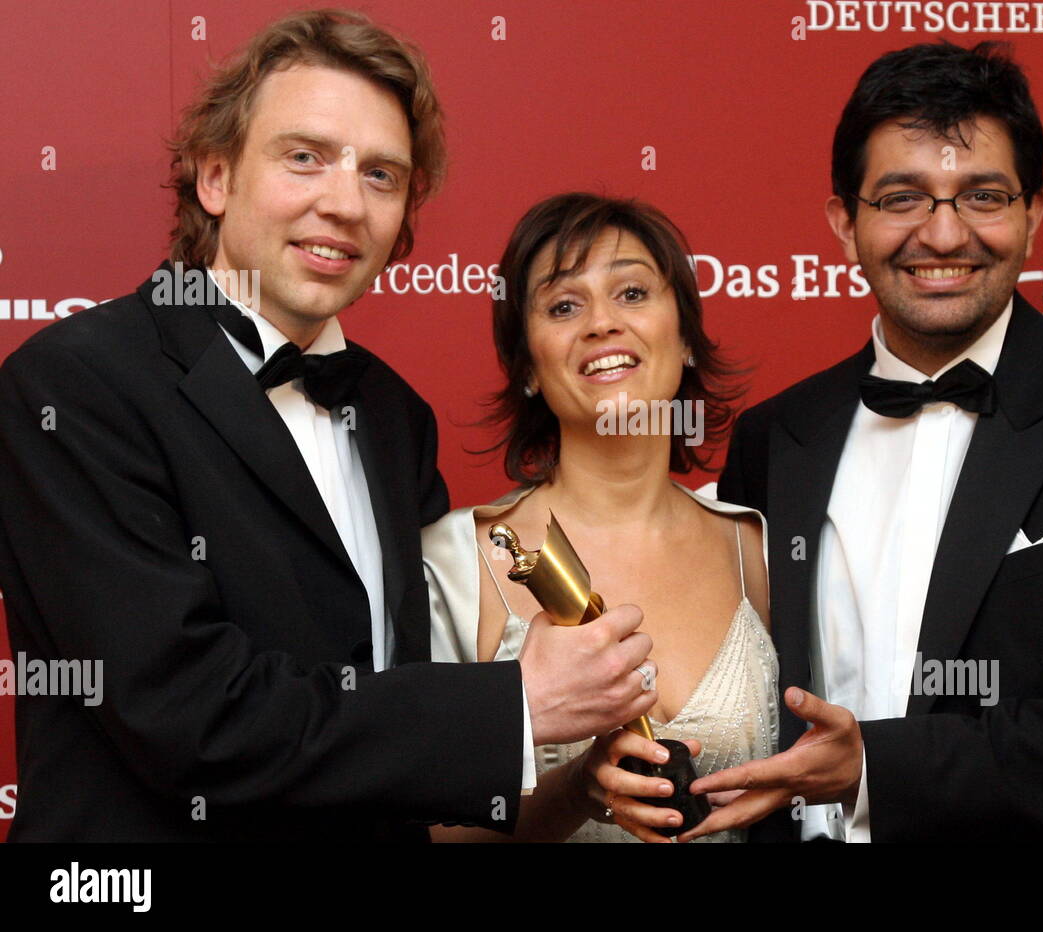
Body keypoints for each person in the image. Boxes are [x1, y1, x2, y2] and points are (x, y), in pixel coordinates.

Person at [0, 10, 655, 841]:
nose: (344, 202)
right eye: (304, 157)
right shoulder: (74, 385)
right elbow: (189, 719)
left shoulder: (393, 415)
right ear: (214, 178)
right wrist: (517, 705)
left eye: (381, 175)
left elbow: (391, 716)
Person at [687, 40, 1043, 842]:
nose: (944, 237)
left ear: (1033, 213)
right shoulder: (778, 435)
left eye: (982, 196)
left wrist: (871, 766)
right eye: (903, 198)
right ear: (845, 223)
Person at [422, 193, 777, 842]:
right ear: (527, 365)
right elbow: (427, 833)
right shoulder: (452, 559)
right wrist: (578, 789)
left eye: (633, 293)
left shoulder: (756, 545)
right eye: (563, 305)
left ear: (687, 337)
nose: (601, 323)